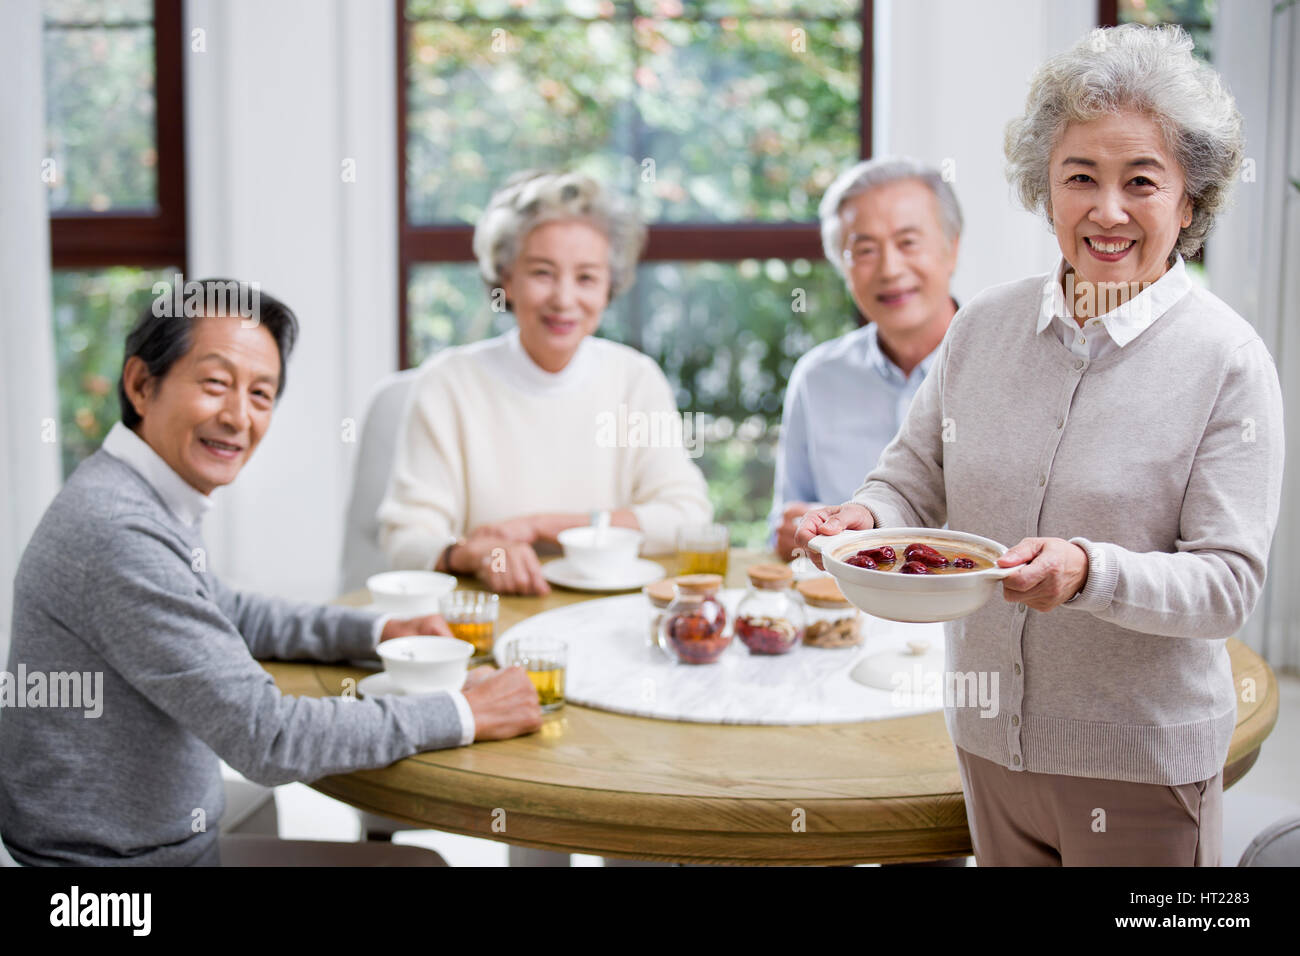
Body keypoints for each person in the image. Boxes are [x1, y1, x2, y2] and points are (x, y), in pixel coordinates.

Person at [797, 24, 1284, 866]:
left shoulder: (1226, 359)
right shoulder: (984, 324)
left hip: (1142, 766)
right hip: (988, 747)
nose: (1107, 210)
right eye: (1080, 177)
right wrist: (863, 516)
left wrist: (1089, 573)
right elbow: (912, 478)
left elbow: (1226, 587)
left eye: (1142, 181)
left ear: (1190, 202)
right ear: (1044, 189)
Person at [0, 281, 542, 866]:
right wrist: (464, 711)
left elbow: (226, 608)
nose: (238, 415)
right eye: (215, 383)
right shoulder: (118, 531)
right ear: (140, 384)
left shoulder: (133, 492)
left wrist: (378, 631)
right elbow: (268, 737)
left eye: (261, 393)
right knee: (420, 866)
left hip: (140, 845)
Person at [378, 170, 712, 596]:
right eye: (542, 273)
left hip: (610, 613)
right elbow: (405, 540)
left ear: (610, 286)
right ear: (505, 278)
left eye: (587, 277)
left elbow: (686, 517)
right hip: (491, 620)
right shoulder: (448, 384)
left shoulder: (635, 379)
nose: (564, 299)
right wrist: (477, 554)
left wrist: (544, 527)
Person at [770, 157, 962, 560]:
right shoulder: (818, 377)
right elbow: (785, 525)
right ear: (843, 266)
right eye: (865, 250)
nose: (890, 269)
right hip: (846, 611)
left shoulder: (1006, 369)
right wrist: (796, 534)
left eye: (908, 242)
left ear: (952, 248)